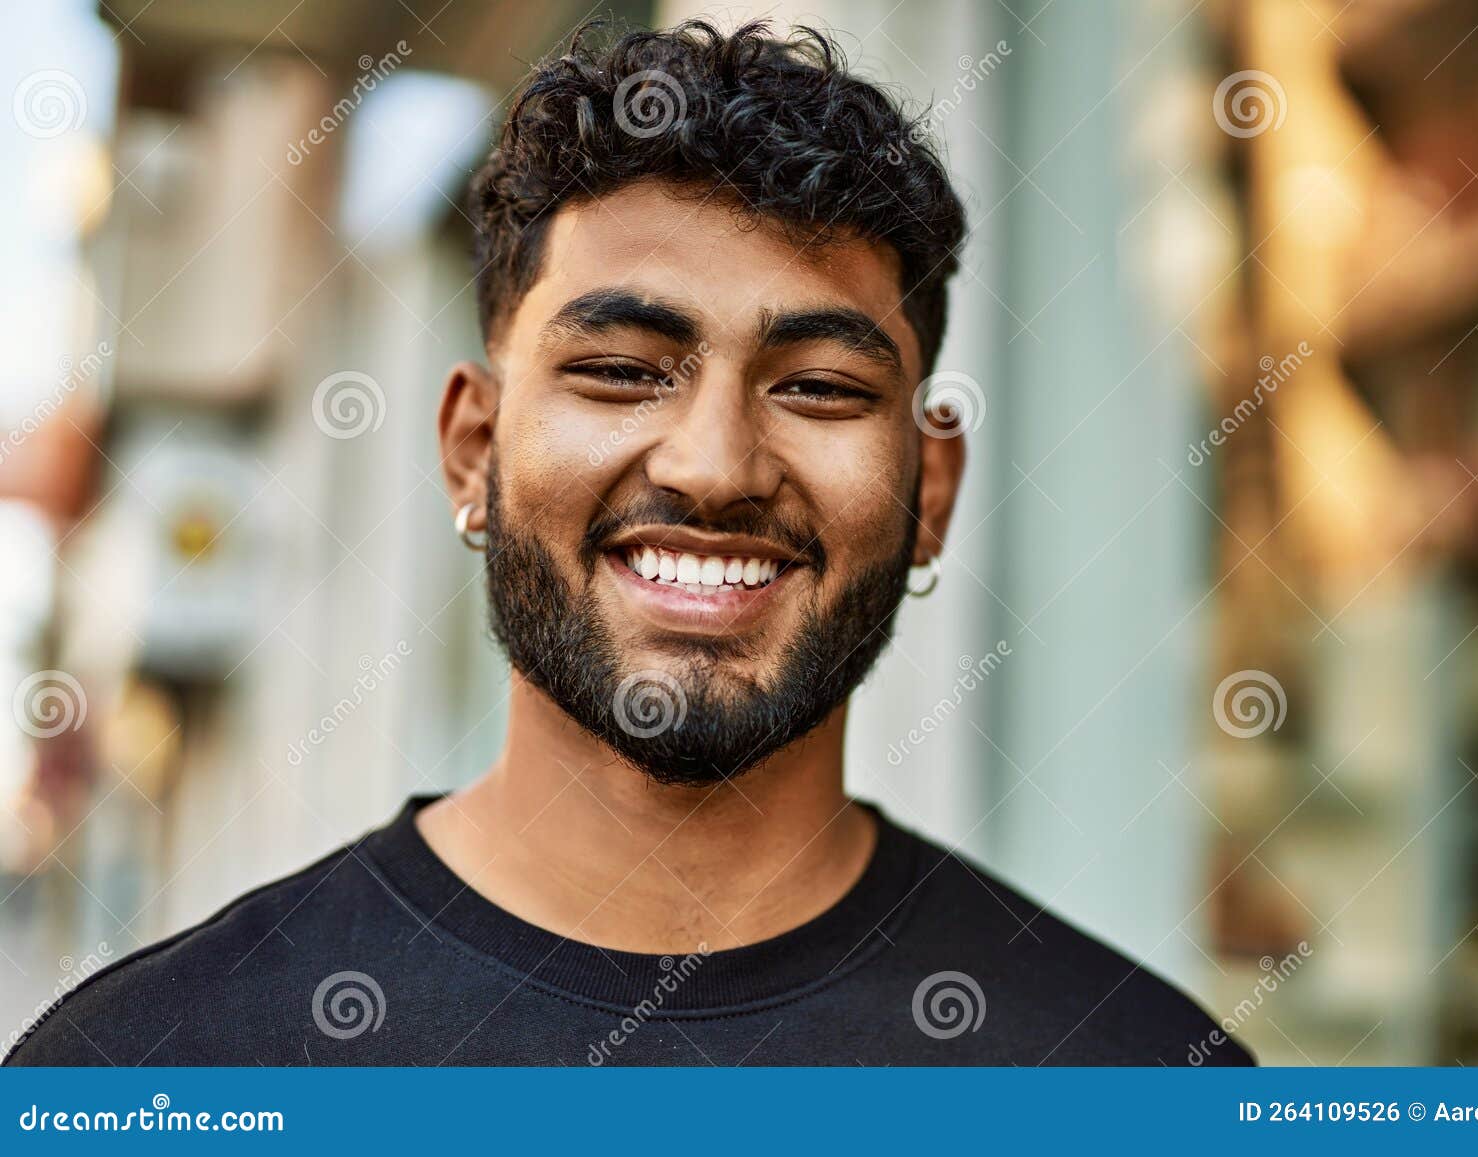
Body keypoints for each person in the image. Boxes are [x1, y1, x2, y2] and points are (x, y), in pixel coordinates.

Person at [6, 20, 1249, 1067]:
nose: (712, 466)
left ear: (930, 486)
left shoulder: (1134, 1072)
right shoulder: (157, 1067)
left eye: (816, 386)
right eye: (617, 371)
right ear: (472, 450)